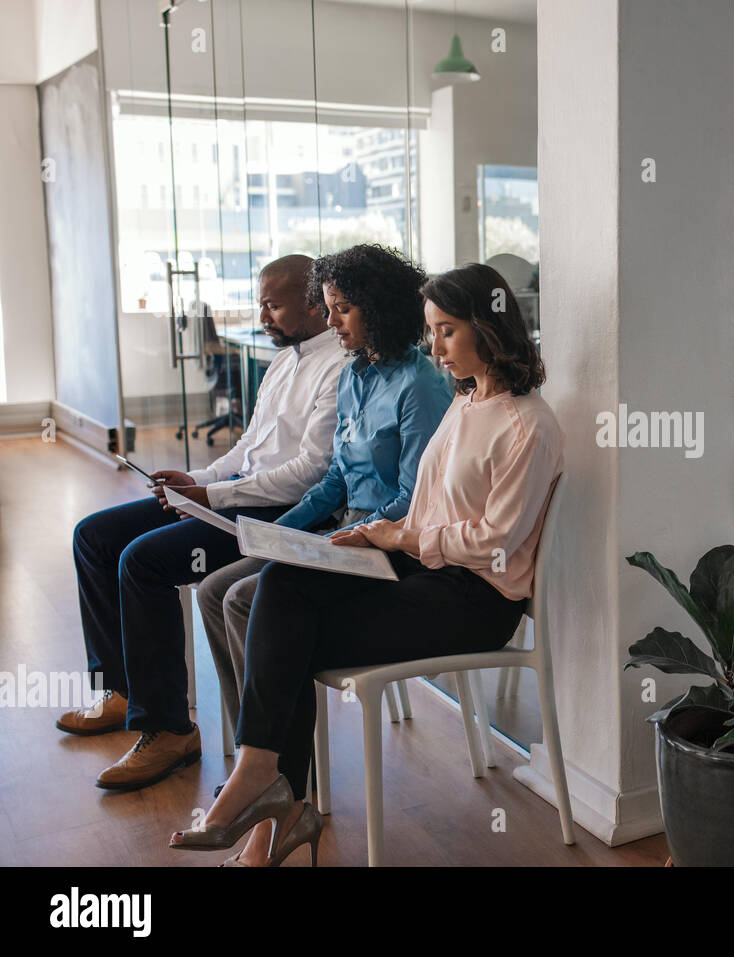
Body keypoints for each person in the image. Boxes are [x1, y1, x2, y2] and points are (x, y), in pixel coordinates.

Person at [168, 263, 562, 866]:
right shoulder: (465, 399)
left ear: (490, 327)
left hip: (475, 600)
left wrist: (400, 537)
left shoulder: (528, 424)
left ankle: (273, 811)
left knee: (284, 636)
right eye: (431, 330)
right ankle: (265, 780)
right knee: (282, 582)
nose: (435, 346)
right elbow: (427, 501)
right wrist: (379, 539)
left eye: (448, 331)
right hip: (422, 568)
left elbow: (495, 542)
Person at [60, 255, 350, 791]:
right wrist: (193, 479)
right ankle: (119, 689)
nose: (262, 314)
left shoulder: (338, 366)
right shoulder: (284, 360)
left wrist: (210, 494)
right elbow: (247, 446)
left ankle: (169, 730)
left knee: (143, 561)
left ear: (314, 303)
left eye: (273, 304)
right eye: (261, 301)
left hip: (281, 513)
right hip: (236, 493)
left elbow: (309, 474)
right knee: (93, 538)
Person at [197, 245, 453, 739]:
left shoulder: (419, 386)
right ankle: (248, 746)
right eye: (329, 306)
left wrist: (342, 537)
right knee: (213, 592)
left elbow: (412, 497)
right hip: (343, 530)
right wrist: (275, 532)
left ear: (376, 307)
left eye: (343, 308)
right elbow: (335, 478)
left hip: (387, 544)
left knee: (243, 599)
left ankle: (279, 764)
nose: (331, 321)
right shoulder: (355, 373)